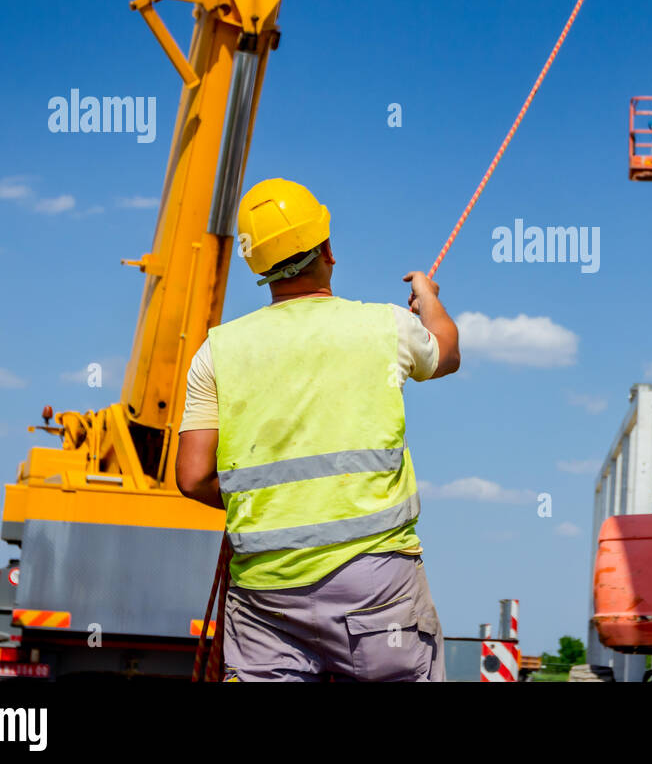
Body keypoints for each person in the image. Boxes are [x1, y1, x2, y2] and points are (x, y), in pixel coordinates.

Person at [176, 177, 460, 681]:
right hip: (375, 585)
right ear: (327, 248)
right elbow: (446, 353)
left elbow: (193, 477)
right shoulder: (386, 326)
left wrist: (270, 505)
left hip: (265, 593)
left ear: (258, 267)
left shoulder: (216, 351)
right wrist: (428, 297)